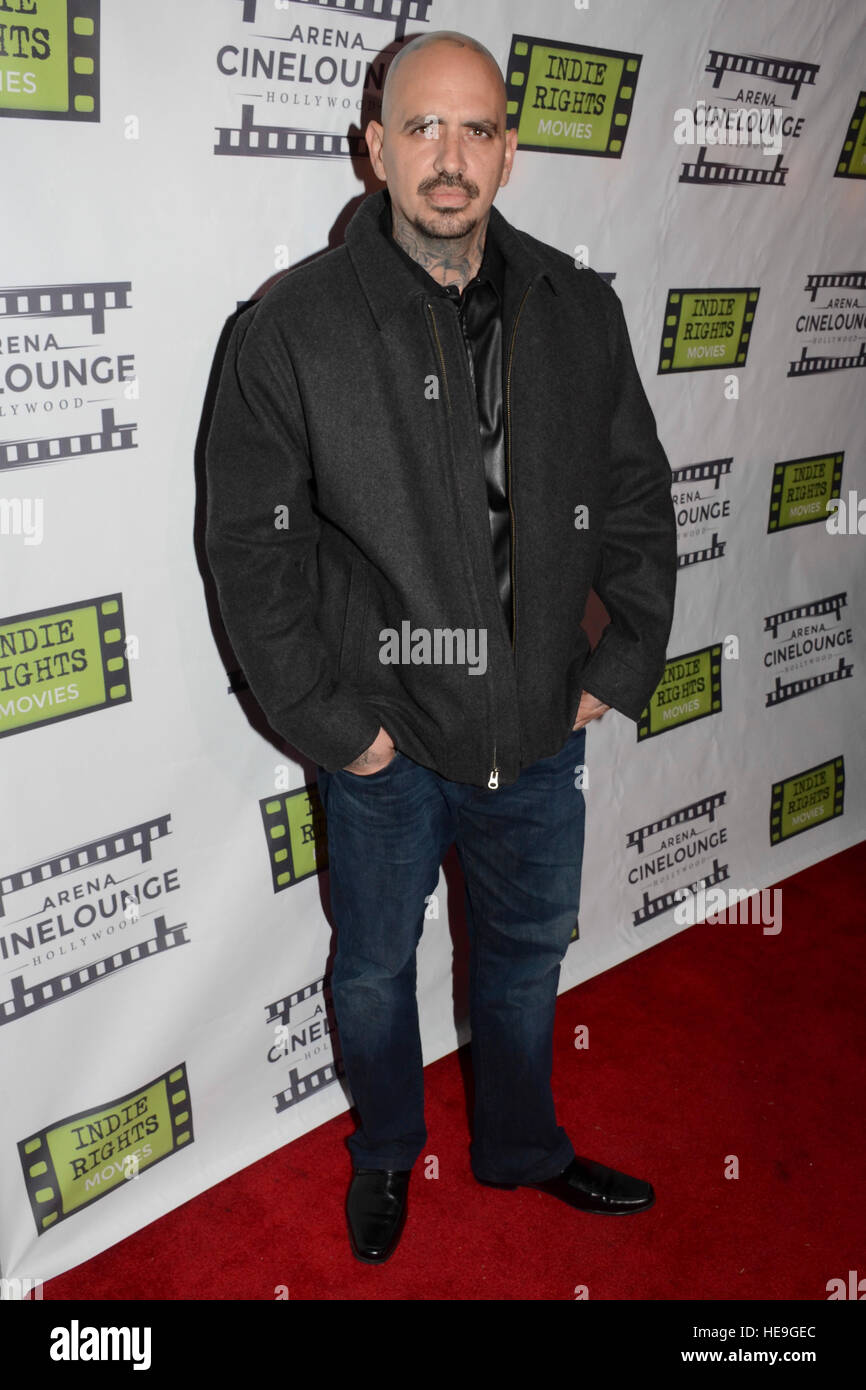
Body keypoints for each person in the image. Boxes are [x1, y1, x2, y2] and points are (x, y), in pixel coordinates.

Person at [205, 30, 678, 1265]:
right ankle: (380, 1154)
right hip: (386, 745)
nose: (448, 158)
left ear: (508, 153)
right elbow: (252, 552)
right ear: (376, 147)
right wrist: (335, 728)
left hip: (534, 733)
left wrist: (610, 670)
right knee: (370, 977)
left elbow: (634, 501)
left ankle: (520, 1147)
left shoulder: (581, 309)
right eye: (422, 128)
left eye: (474, 130)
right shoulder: (290, 328)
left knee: (523, 964)